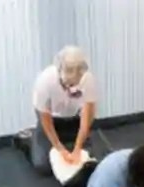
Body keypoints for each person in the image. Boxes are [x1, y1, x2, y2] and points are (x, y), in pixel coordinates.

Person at [27, 46, 99, 175]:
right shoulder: (45, 81)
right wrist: (60, 149)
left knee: (87, 162)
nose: (71, 89)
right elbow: (45, 119)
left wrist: (77, 149)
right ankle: (28, 138)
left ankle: (68, 143)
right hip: (51, 121)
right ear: (60, 71)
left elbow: (87, 117)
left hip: (74, 120)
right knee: (43, 166)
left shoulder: (88, 80)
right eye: (68, 84)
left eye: (75, 84)